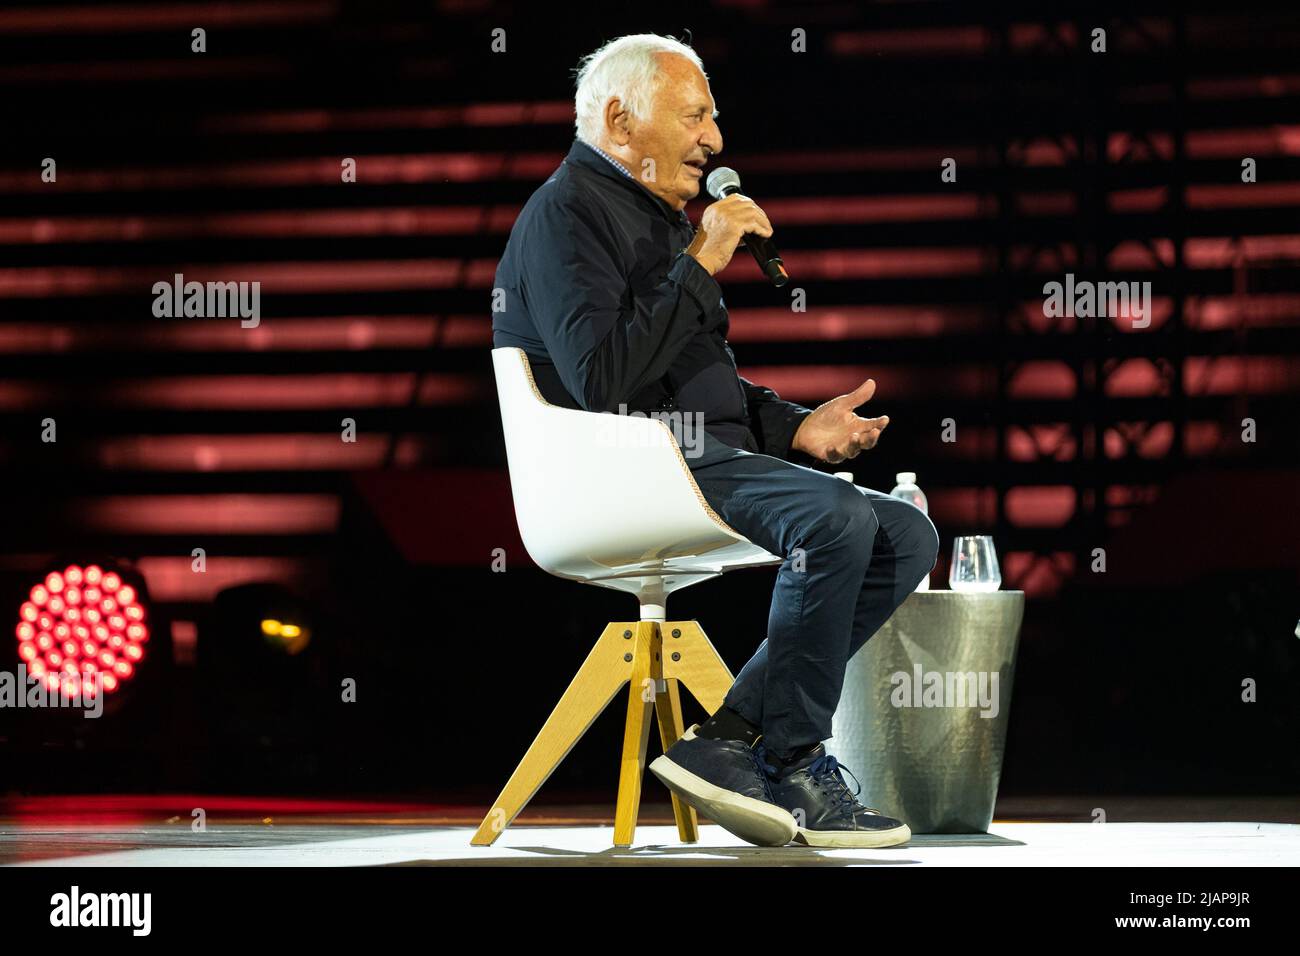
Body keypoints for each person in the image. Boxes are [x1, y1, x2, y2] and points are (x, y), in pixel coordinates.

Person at [491, 34, 939, 848]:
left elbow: (701, 389)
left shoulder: (659, 222)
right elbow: (603, 379)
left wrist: (797, 426)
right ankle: (797, 760)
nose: (715, 140)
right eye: (695, 116)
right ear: (622, 122)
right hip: (613, 472)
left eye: (714, 117)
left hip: (690, 458)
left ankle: (729, 741)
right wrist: (701, 258)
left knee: (903, 531)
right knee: (834, 519)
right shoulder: (566, 215)